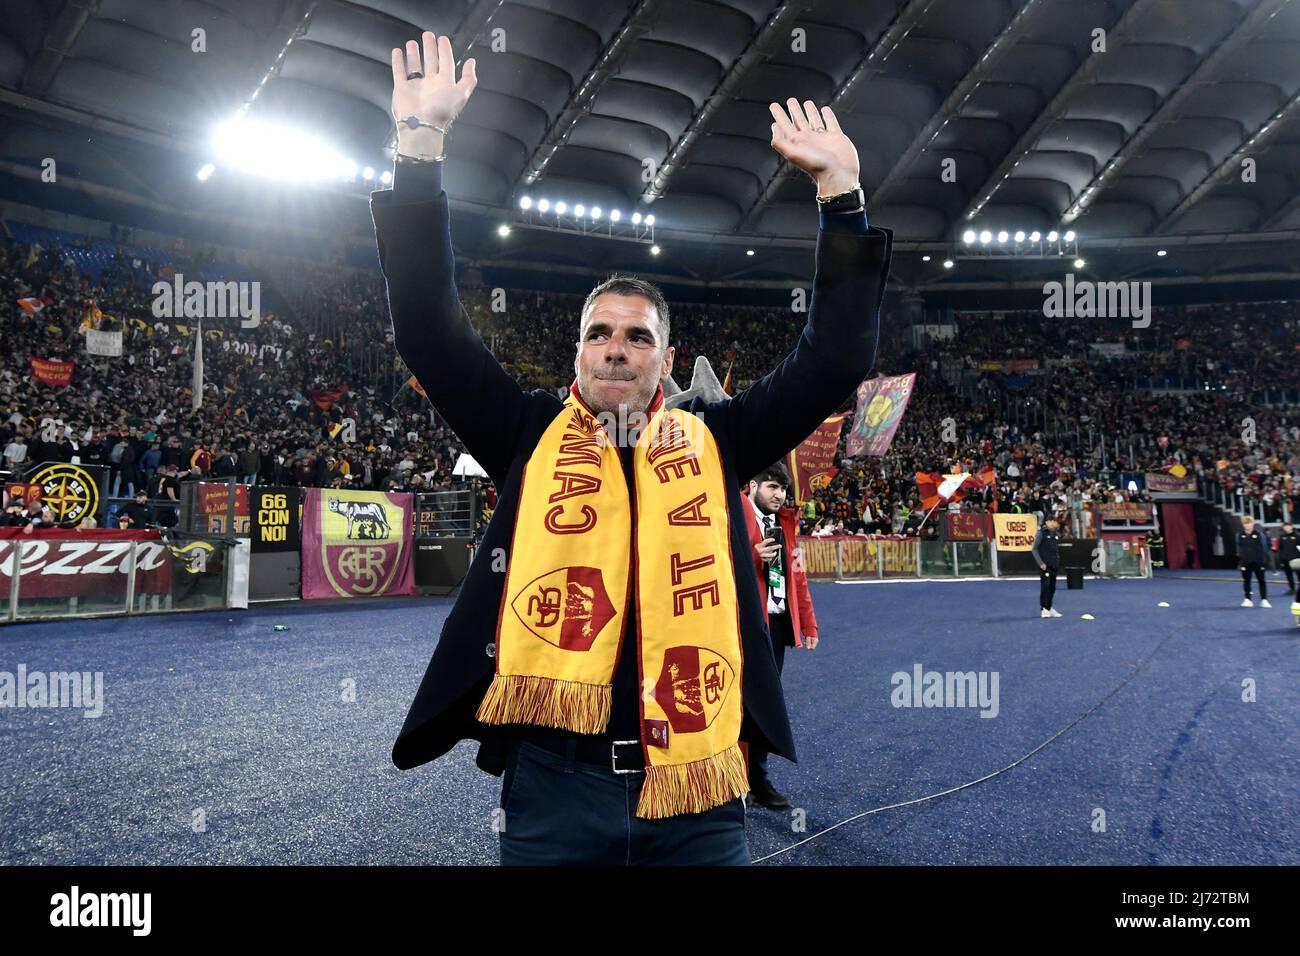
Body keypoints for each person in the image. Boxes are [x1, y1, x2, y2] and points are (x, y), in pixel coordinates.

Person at [375, 32, 890, 866]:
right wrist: (421, 147)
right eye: (600, 334)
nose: (617, 349)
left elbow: (836, 358)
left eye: (638, 337)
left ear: (665, 358)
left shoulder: (719, 439)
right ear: (578, 351)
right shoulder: (525, 431)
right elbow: (429, 330)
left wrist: (841, 195)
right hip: (552, 792)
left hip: (699, 797)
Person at [742, 463, 819, 809]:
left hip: (775, 628)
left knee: (766, 704)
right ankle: (731, 780)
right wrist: (750, 557)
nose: (779, 495)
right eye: (772, 487)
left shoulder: (784, 525)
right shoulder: (731, 515)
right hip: (743, 627)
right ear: (753, 485)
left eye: (783, 489)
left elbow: (797, 578)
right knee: (737, 705)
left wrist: (809, 624)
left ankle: (757, 780)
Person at [1236, 515, 1270, 608]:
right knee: (1246, 581)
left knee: (1261, 581)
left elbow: (1264, 549)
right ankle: (1247, 599)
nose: (1247, 525)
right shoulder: (1240, 535)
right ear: (1243, 524)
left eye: (1249, 523)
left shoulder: (1259, 535)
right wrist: (1241, 562)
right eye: (1245, 523)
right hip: (1246, 562)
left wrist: (1263, 561)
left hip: (1258, 562)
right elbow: (1239, 549)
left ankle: (1264, 600)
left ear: (1253, 523)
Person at [1032, 516, 1062, 618]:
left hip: (1054, 565)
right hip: (1045, 566)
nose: (1054, 523)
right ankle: (1044, 609)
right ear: (1047, 522)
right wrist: (1040, 563)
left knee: (1052, 587)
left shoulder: (1056, 534)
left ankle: (1049, 607)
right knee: (1045, 587)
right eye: (1052, 521)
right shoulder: (1041, 533)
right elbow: (1034, 549)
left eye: (1054, 521)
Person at [1277, 522, 1299, 594]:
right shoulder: (1282, 537)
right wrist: (1281, 559)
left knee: (1299, 575)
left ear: (1291, 527)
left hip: (1296, 560)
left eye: (1288, 526)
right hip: (1286, 560)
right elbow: (1280, 549)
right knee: (1289, 575)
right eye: (1285, 526)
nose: (1286, 528)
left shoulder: (1297, 536)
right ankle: (1292, 589)